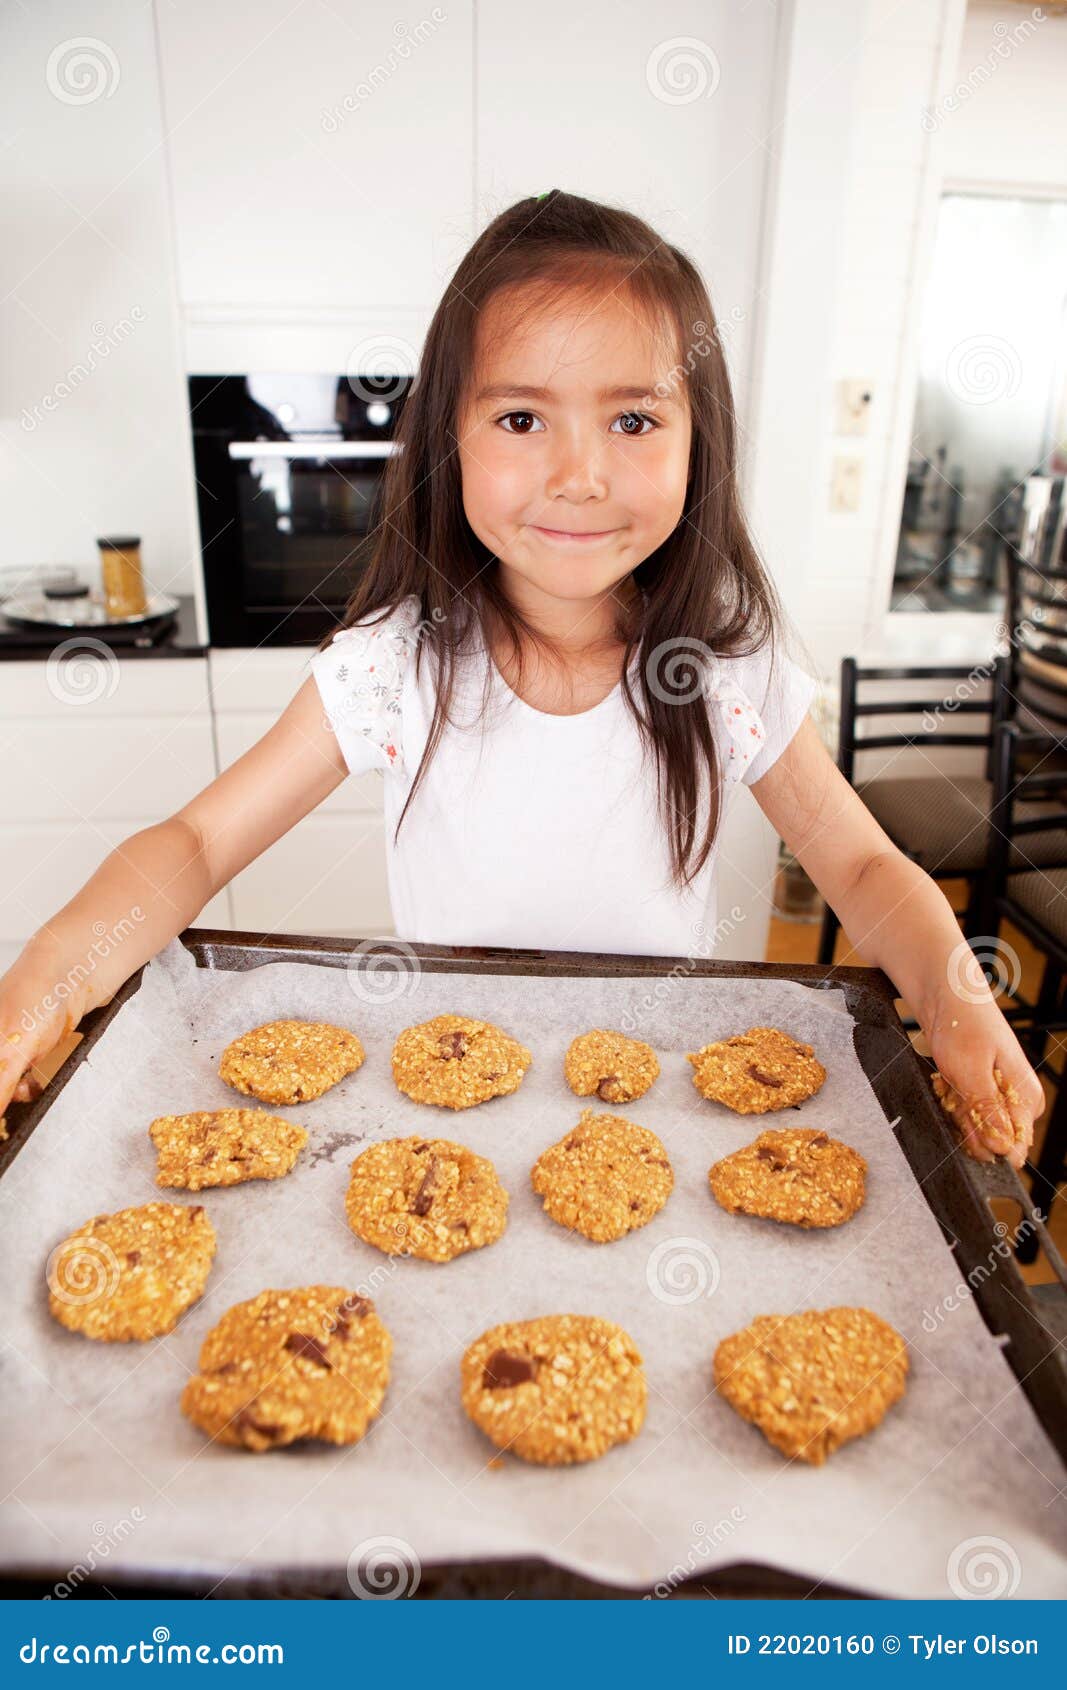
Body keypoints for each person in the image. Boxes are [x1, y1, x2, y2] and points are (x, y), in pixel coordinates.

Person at [0, 190, 1042, 1167]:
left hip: (652, 1116)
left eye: (632, 420)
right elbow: (197, 841)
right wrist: (53, 969)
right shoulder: (394, 665)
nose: (578, 474)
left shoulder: (721, 669)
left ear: (696, 441)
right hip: (445, 1102)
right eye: (519, 419)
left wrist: (956, 1000)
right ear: (446, 439)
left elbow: (860, 869)